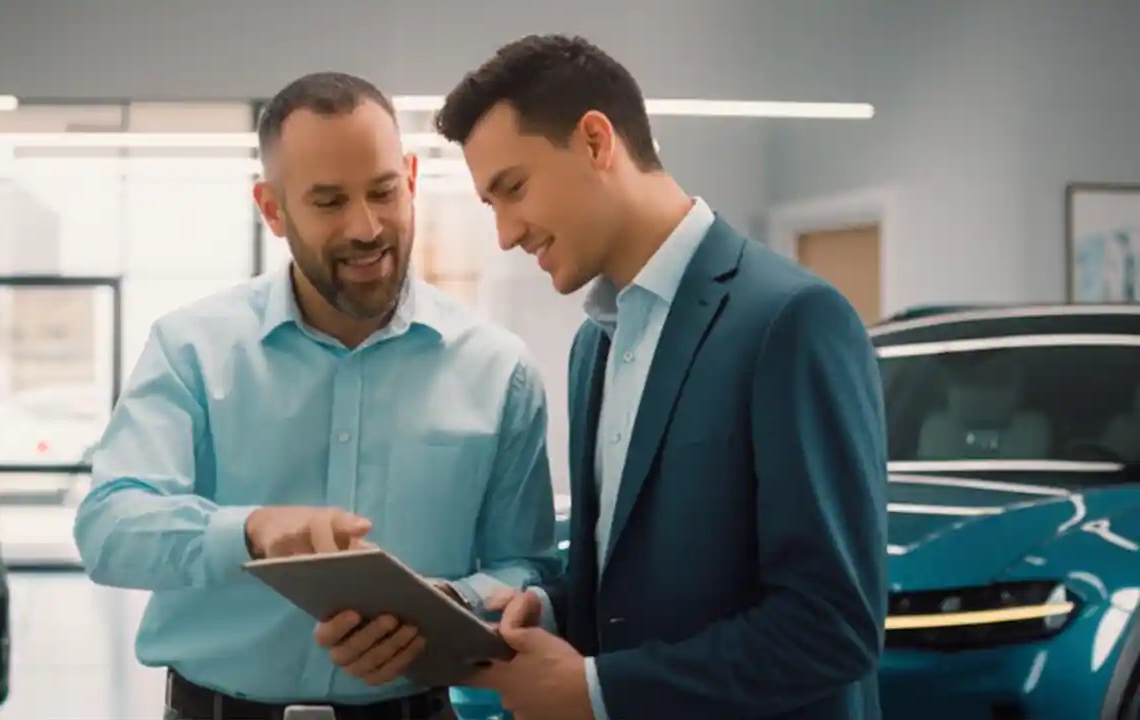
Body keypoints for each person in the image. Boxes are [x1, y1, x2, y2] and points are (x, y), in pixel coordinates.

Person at [74, 71, 559, 720]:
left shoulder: (498, 369)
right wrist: (251, 532)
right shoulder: (192, 348)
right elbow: (109, 527)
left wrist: (455, 602)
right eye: (329, 202)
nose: (367, 227)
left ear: (411, 179)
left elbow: (526, 567)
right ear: (272, 209)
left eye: (383, 192)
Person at [433, 34, 889, 720]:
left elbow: (833, 627)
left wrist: (598, 692)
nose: (504, 233)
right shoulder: (595, 345)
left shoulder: (792, 320)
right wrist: (550, 610)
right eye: (489, 205)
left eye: (513, 190)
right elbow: (633, 587)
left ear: (595, 141)